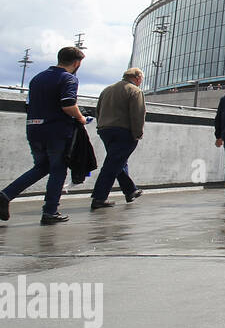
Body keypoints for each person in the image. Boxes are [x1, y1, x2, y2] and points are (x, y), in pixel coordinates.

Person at [1, 45, 87, 225]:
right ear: (77, 63)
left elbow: (28, 105)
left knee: (41, 167)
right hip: (56, 131)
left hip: (34, 129)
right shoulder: (69, 79)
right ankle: (50, 211)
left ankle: (5, 195)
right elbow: (68, 104)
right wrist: (81, 118)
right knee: (58, 170)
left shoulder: (38, 78)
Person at [89, 66, 146, 210]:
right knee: (112, 164)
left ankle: (130, 191)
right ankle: (99, 198)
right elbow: (137, 114)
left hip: (105, 130)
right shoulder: (134, 91)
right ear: (137, 78)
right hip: (123, 131)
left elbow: (98, 110)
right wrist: (138, 133)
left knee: (118, 161)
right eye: (141, 79)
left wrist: (100, 126)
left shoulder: (107, 89)